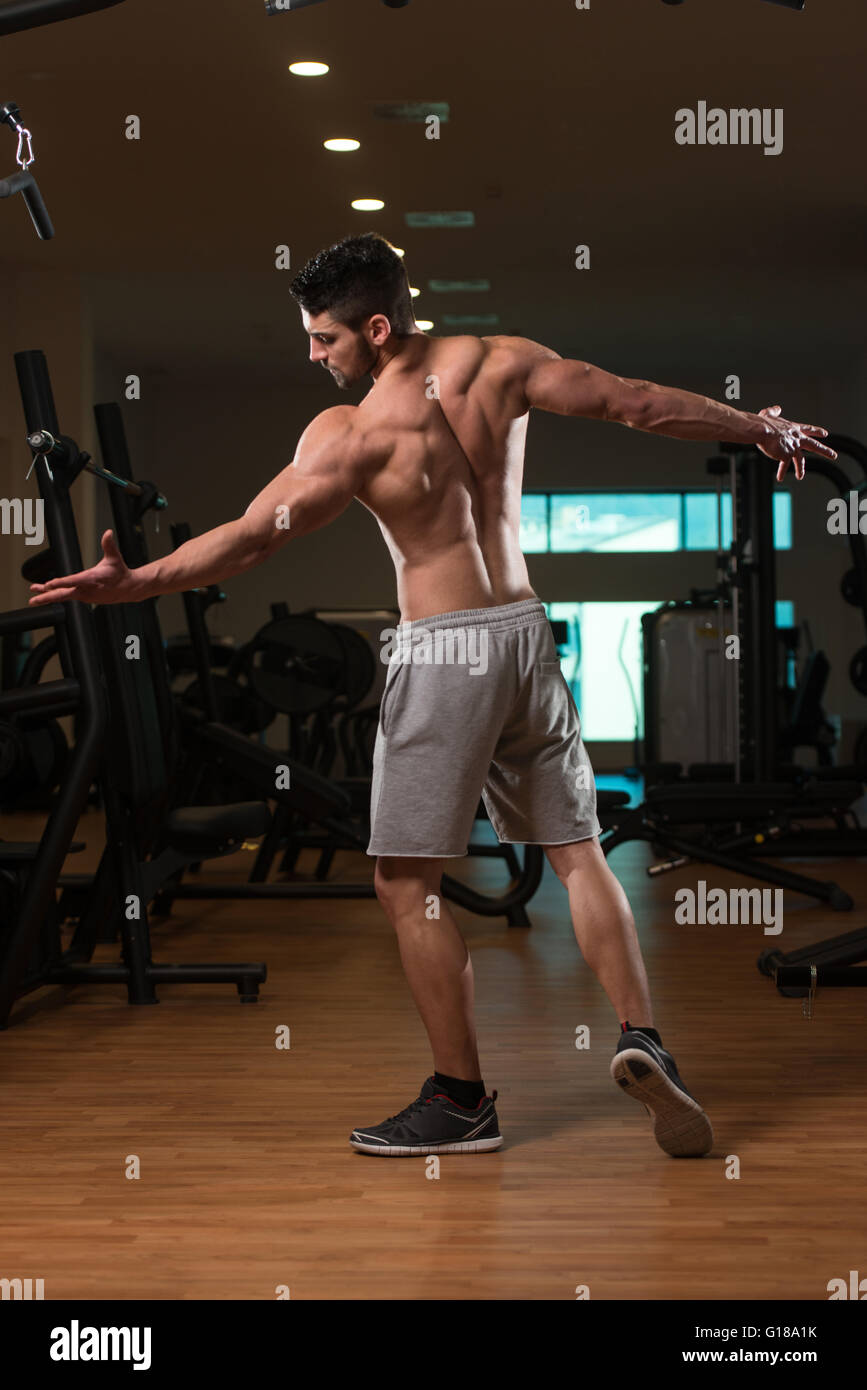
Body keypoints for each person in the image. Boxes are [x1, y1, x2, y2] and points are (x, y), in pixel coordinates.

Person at [29, 232, 836, 1159]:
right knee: (576, 853)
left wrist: (137, 583)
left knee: (403, 878)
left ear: (376, 327)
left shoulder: (354, 434)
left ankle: (460, 1101)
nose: (312, 355)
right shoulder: (502, 362)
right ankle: (640, 1035)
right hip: (524, 634)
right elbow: (638, 404)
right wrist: (761, 427)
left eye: (325, 339)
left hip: (443, 649)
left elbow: (253, 538)